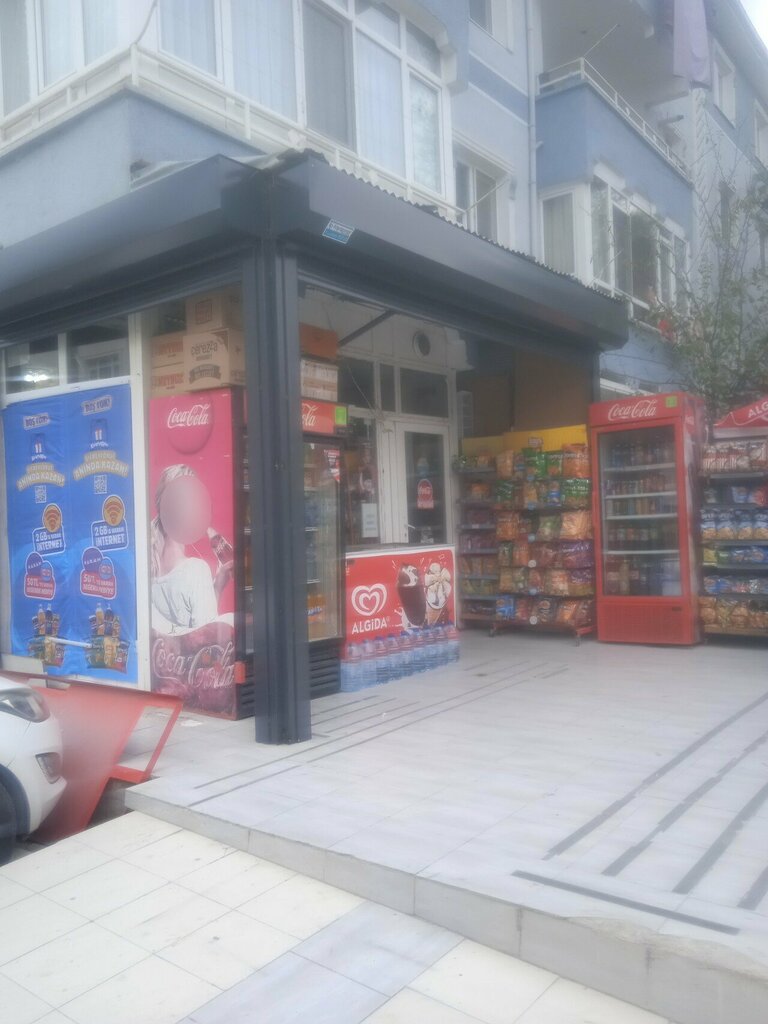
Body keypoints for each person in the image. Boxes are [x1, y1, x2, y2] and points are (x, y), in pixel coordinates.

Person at [150, 464, 233, 633]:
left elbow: (186, 635)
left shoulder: (150, 568)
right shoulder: (195, 571)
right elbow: (207, 640)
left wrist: (216, 587)